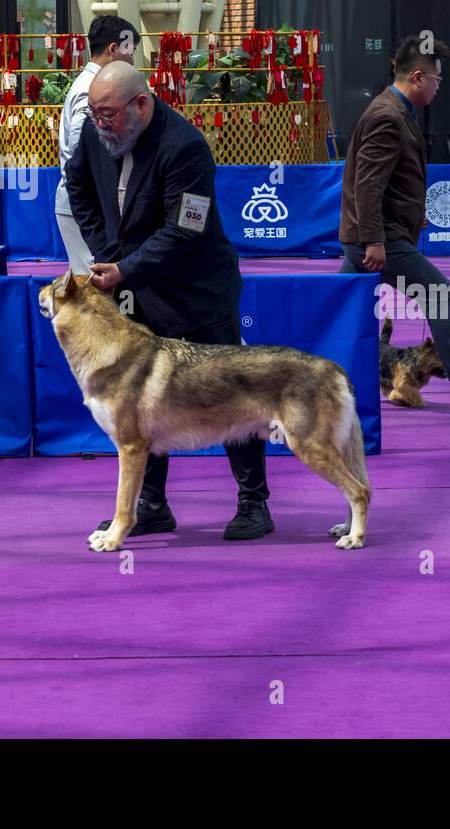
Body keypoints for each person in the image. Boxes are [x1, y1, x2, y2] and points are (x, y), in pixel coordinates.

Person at [65, 62, 274, 541]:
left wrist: (126, 268)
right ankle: (151, 505)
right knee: (141, 401)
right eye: (95, 114)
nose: (101, 124)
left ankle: (253, 503)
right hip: (134, 286)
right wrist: (108, 253)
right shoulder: (97, 129)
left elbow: (186, 229)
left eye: (110, 115)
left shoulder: (185, 146)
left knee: (233, 392)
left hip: (198, 290)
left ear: (141, 104)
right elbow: (75, 184)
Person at [339, 35, 450, 418]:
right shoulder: (388, 116)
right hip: (379, 241)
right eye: (437, 80)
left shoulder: (395, 111)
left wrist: (413, 214)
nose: (438, 87)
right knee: (441, 296)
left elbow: (386, 182)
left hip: (376, 235)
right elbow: (367, 185)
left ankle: (324, 386)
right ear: (418, 76)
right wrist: (373, 239)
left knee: (341, 310)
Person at [56, 15, 138, 274]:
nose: (133, 59)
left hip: (90, 206)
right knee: (95, 290)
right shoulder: (90, 89)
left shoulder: (94, 85)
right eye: (131, 50)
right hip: (86, 209)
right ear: (114, 49)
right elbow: (84, 157)